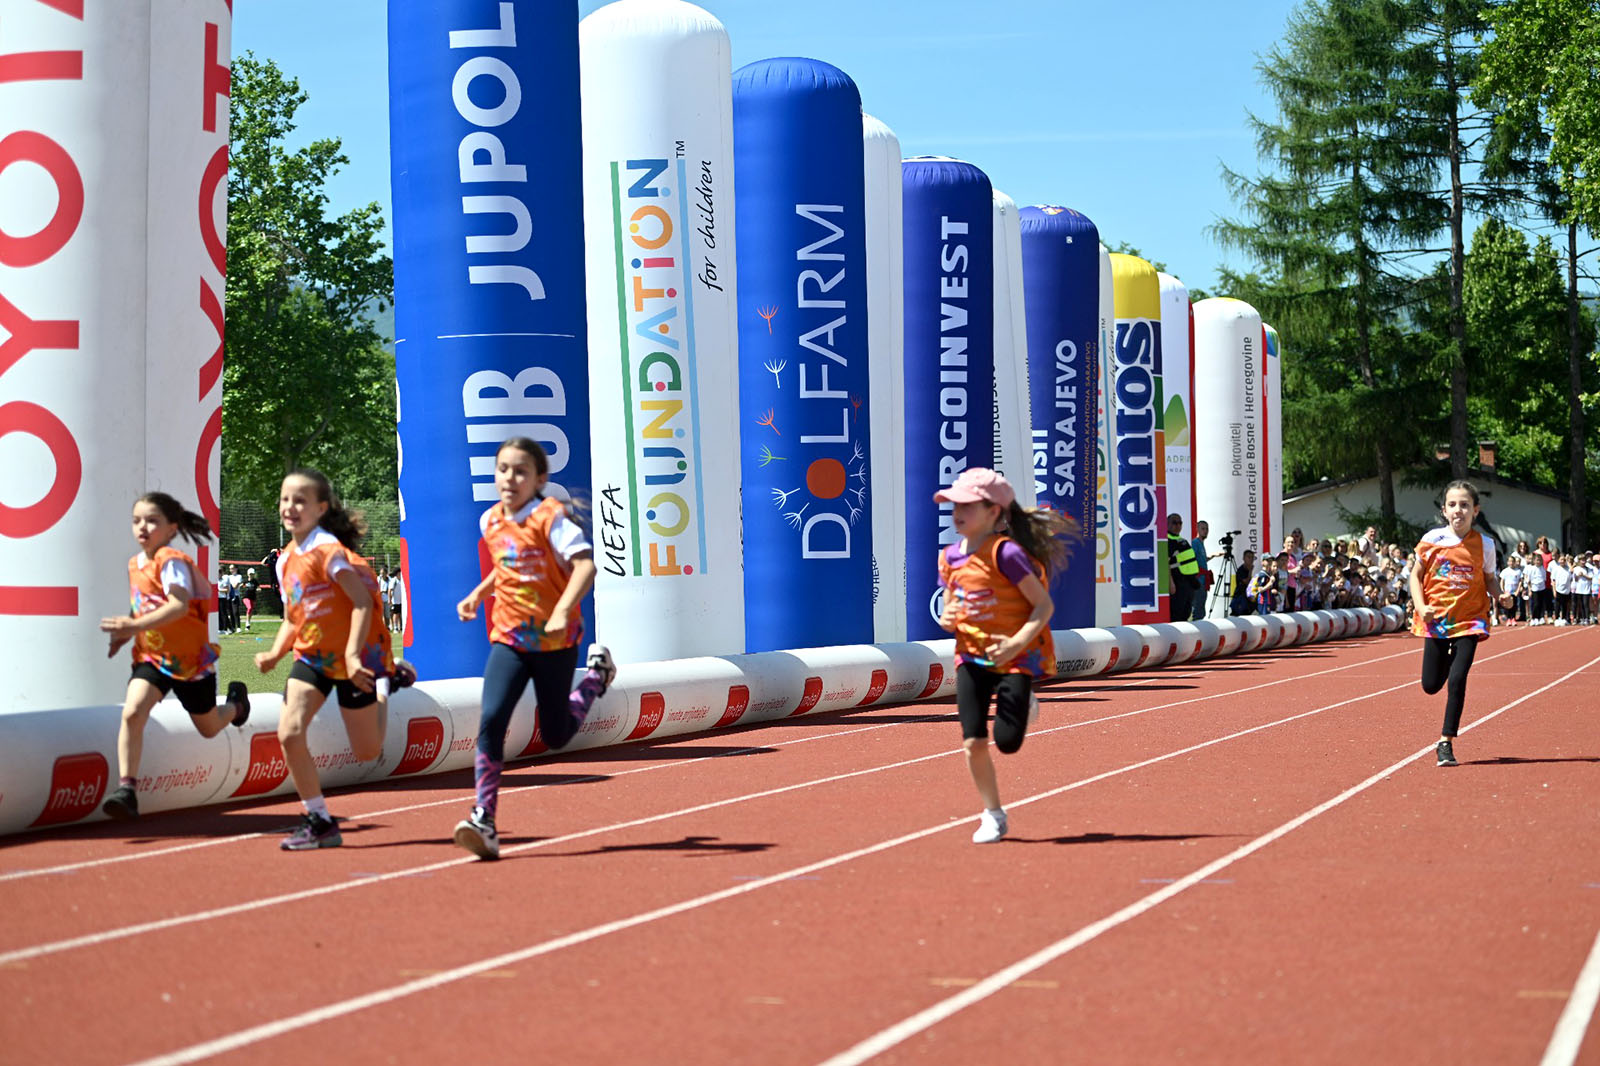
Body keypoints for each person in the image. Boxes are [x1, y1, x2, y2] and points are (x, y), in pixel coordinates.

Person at [452, 437, 616, 860]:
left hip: (556, 641)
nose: (510, 478)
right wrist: (478, 594)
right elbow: (505, 568)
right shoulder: (490, 521)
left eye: (520, 471)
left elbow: (585, 566)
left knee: (556, 736)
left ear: (539, 479)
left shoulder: (550, 519)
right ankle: (483, 819)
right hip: (509, 638)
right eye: (503, 469)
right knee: (491, 719)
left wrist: (563, 610)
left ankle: (596, 678)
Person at [254, 468, 403, 851]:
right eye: (285, 498)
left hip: (354, 658)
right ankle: (318, 818)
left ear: (320, 509)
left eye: (300, 500)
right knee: (288, 732)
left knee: (367, 751)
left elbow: (360, 604)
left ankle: (385, 686)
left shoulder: (329, 553)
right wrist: (275, 651)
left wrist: (354, 655)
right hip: (313, 657)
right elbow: (293, 617)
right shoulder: (284, 560)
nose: (290, 506)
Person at [934, 467, 1075, 844]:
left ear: (993, 511)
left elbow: (1043, 607)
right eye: (953, 505)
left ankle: (1024, 698)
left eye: (966, 505)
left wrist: (1015, 644)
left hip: (1016, 657)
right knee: (972, 741)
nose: (956, 513)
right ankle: (992, 814)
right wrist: (947, 618)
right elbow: (951, 611)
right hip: (971, 656)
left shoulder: (1007, 554)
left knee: (1008, 741)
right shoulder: (948, 558)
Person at [99, 492, 250, 820]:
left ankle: (237, 704)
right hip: (152, 658)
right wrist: (126, 633)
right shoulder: (134, 564)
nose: (142, 527)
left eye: (152, 520)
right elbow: (143, 604)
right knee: (132, 713)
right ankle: (127, 789)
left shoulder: (172, 562)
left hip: (190, 662)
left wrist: (133, 623)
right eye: (137, 520)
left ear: (171, 528)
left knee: (209, 728)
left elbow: (178, 605)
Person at [1410, 480, 1501, 768]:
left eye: (1464, 505)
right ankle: (1447, 662)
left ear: (1475, 510)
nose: (1458, 510)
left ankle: (1445, 742)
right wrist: (1421, 606)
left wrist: (1503, 596)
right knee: (1430, 685)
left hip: (1470, 620)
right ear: (1444, 510)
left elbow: (1489, 579)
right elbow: (1415, 576)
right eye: (1453, 505)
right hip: (1437, 619)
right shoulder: (1432, 539)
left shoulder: (1485, 544)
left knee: (1458, 679)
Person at [1165, 513, 1201, 623]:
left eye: (1180, 523)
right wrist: (1171, 583)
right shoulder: (1168, 541)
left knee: (1186, 613)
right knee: (1177, 614)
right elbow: (1165, 564)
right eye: (1174, 523)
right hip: (1178, 583)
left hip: (1189, 583)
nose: (1178, 525)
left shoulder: (1182, 540)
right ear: (1167, 524)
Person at [1190, 520, 1213, 621]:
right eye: (1203, 529)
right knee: (1198, 608)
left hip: (1203, 580)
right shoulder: (1195, 543)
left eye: (1207, 529)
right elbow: (1192, 558)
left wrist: (1212, 556)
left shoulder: (1201, 544)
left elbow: (1201, 559)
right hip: (1198, 580)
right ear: (1197, 529)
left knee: (1201, 606)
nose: (1205, 531)